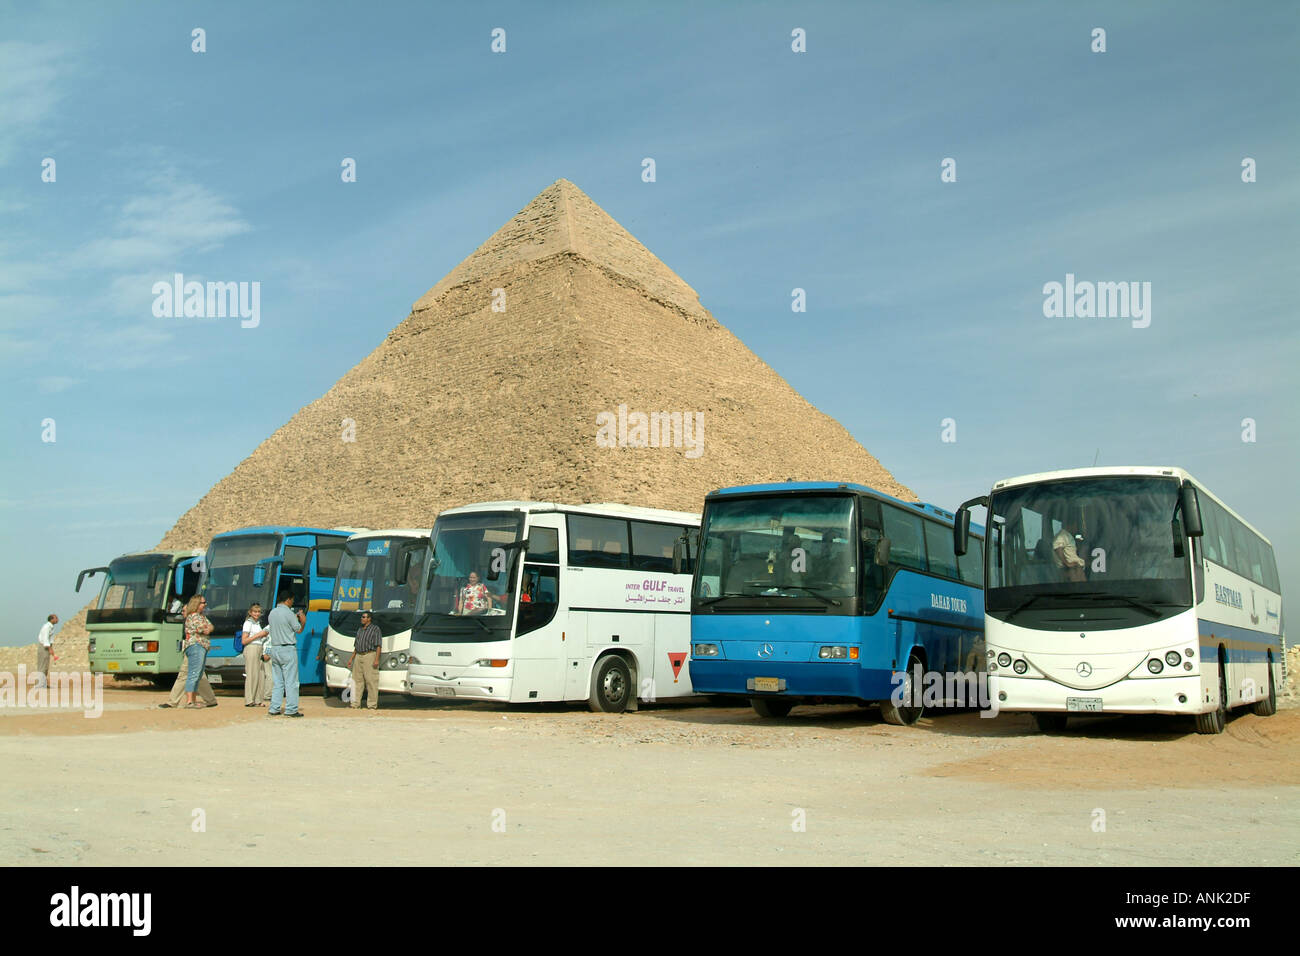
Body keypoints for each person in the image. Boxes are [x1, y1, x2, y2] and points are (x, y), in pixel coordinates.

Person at [267, 587, 305, 717]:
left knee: (278, 681)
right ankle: (291, 709)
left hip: (275, 648)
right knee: (291, 681)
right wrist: (303, 620)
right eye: (292, 600)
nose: (292, 603)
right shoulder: (288, 613)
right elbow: (298, 629)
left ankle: (274, 708)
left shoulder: (272, 612)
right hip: (287, 648)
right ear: (288, 600)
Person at [181, 596, 214, 708]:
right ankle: (189, 701)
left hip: (202, 646)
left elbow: (210, 626)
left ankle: (193, 700)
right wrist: (207, 628)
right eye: (202, 603)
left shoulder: (201, 616)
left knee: (198, 674)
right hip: (195, 645)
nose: (204, 605)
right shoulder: (193, 616)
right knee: (194, 673)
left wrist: (208, 628)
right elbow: (203, 628)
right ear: (196, 603)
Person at [348, 610, 382, 710]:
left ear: (369, 618)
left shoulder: (375, 629)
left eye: (364, 617)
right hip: (359, 655)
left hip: (370, 655)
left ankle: (372, 705)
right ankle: (355, 704)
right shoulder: (360, 630)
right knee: (356, 680)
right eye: (362, 617)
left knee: (371, 681)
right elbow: (356, 646)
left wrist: (376, 660)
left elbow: (378, 645)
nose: (362, 619)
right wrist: (351, 658)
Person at [241, 603, 271, 707]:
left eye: (258, 612)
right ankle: (249, 699)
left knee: (260, 674)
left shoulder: (257, 623)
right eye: (255, 611)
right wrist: (259, 635)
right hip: (251, 648)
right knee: (251, 674)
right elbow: (244, 640)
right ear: (250, 612)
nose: (257, 614)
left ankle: (258, 699)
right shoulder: (248, 623)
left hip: (259, 648)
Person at [1052, 518, 1087, 583]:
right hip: (1072, 570)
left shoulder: (1068, 535)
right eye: (1076, 525)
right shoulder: (1062, 535)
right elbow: (1057, 548)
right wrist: (1067, 563)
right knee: (1078, 589)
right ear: (1071, 525)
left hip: (1075, 568)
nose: (1076, 528)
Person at [36, 614, 58, 687]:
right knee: (42, 666)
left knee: (45, 666)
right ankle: (40, 684)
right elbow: (45, 640)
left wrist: (51, 650)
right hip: (44, 648)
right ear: (51, 619)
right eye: (56, 618)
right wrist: (50, 649)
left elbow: (50, 640)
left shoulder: (51, 627)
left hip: (47, 648)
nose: (57, 619)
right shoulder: (46, 627)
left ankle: (43, 683)